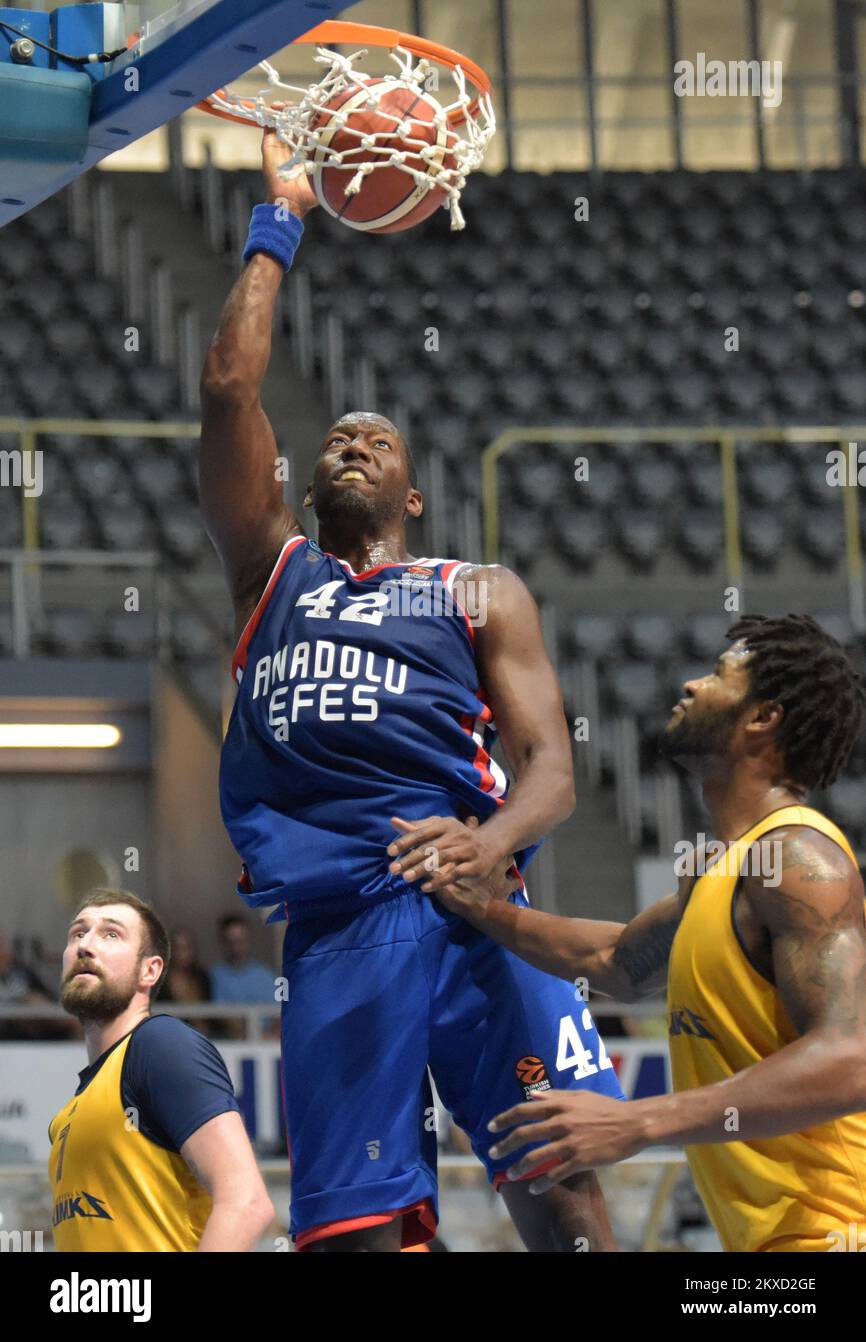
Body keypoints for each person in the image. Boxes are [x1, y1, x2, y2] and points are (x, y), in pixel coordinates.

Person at [197, 133, 623, 1252]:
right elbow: (230, 387)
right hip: (338, 926)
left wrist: (488, 848)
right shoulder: (272, 573)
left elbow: (551, 773)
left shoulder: (476, 590)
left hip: (476, 910)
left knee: (565, 1190)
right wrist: (278, 222)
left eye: (374, 440)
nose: (349, 440)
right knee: (357, 1237)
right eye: (336, 435)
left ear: (415, 494)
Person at [440, 615, 866, 1253]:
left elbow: (852, 1061)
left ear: (763, 718)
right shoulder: (728, 869)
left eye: (720, 676)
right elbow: (612, 959)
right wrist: (484, 907)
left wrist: (637, 1121)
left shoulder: (802, 861)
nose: (692, 684)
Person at [48, 889, 275, 1251]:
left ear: (150, 970)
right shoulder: (66, 1116)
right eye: (78, 933)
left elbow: (247, 1204)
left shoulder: (160, 1044)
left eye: (111, 934)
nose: (85, 946)